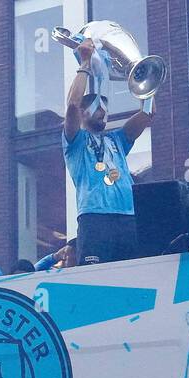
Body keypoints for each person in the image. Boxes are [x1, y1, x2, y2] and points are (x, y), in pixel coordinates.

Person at [63, 39, 153, 265]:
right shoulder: (75, 140)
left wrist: (147, 80)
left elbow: (147, 114)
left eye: (106, 105)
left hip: (128, 218)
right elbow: (73, 105)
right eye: (97, 106)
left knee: (131, 279)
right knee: (95, 279)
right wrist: (85, 62)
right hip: (95, 218)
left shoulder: (117, 140)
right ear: (84, 112)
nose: (104, 111)